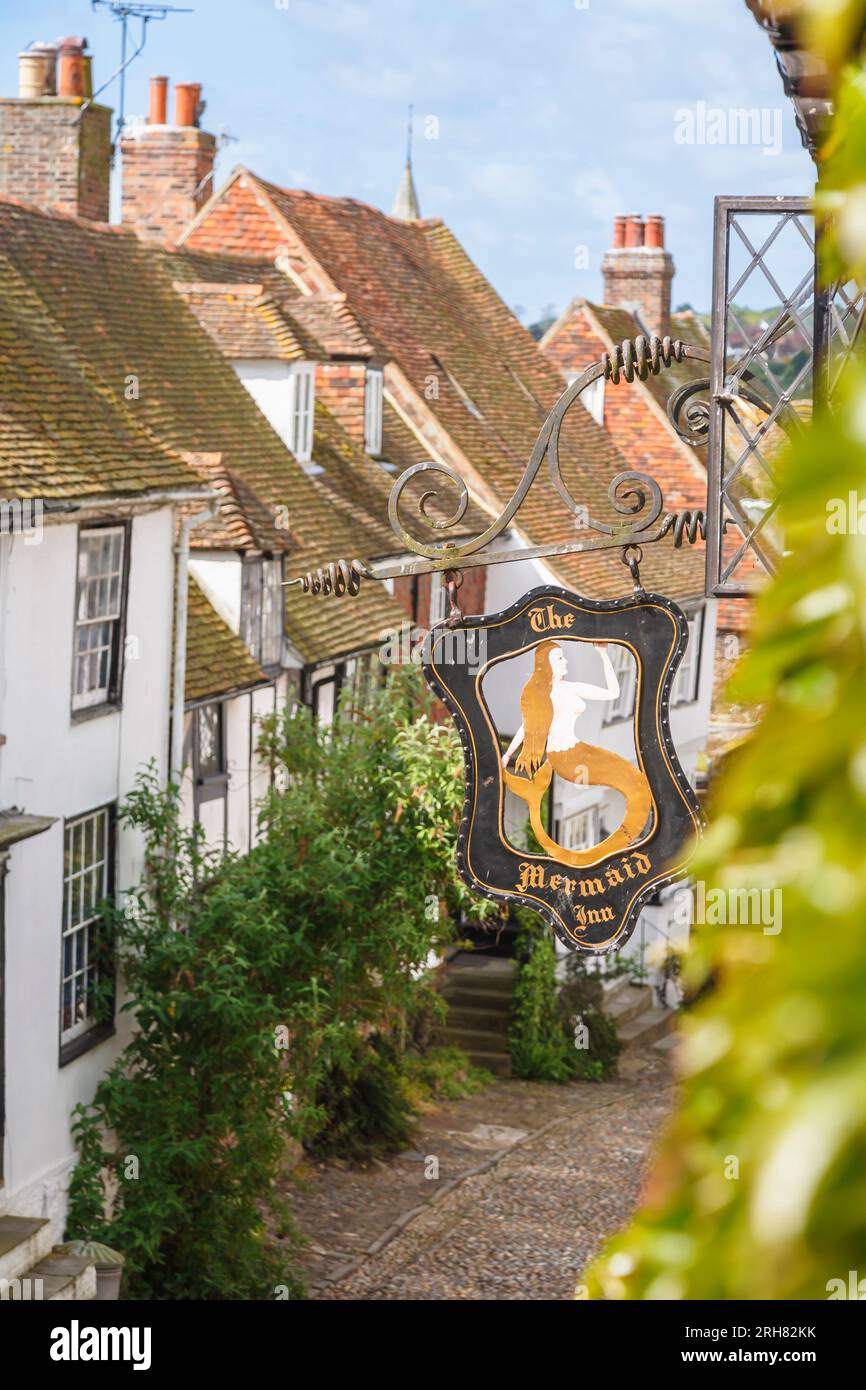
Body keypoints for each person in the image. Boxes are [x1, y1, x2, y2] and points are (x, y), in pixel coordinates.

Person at [501, 639, 653, 863]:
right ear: (549, 665)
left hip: (578, 751)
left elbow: (613, 692)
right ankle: (603, 852)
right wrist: (507, 755)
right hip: (566, 759)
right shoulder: (541, 695)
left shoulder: (570, 688)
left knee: (636, 784)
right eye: (560, 659)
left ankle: (606, 851)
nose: (566, 661)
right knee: (634, 783)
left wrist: (602, 655)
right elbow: (527, 727)